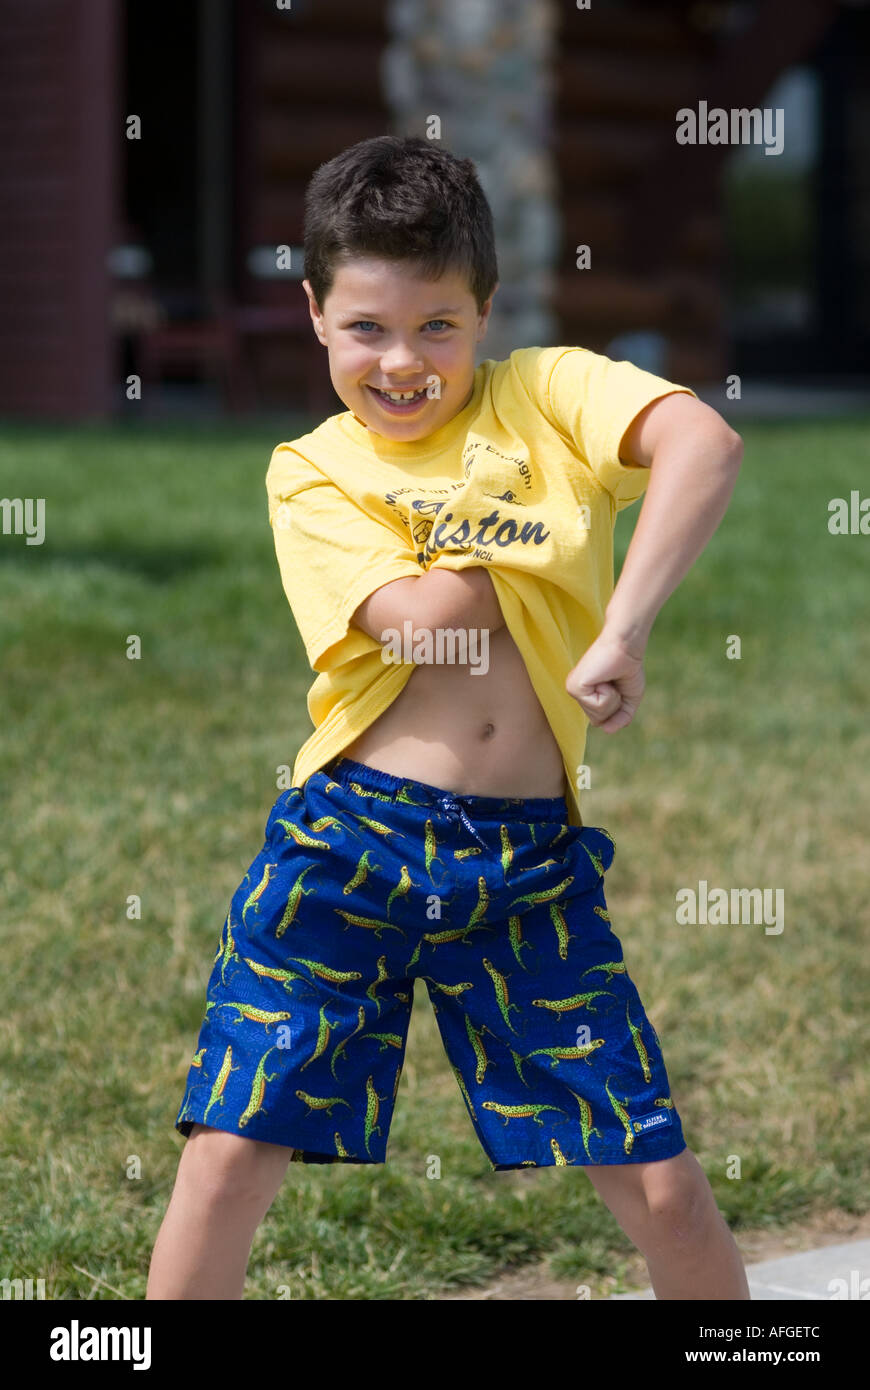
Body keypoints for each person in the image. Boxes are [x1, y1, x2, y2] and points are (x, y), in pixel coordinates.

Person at [147, 135, 748, 1300]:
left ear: (487, 309)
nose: (401, 362)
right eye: (366, 327)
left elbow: (703, 444)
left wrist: (621, 626)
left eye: (438, 325)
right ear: (316, 314)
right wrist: (549, 512)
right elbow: (423, 626)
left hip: (527, 866)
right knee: (228, 1156)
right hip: (346, 846)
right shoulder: (312, 470)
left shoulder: (552, 391)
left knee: (661, 1185)